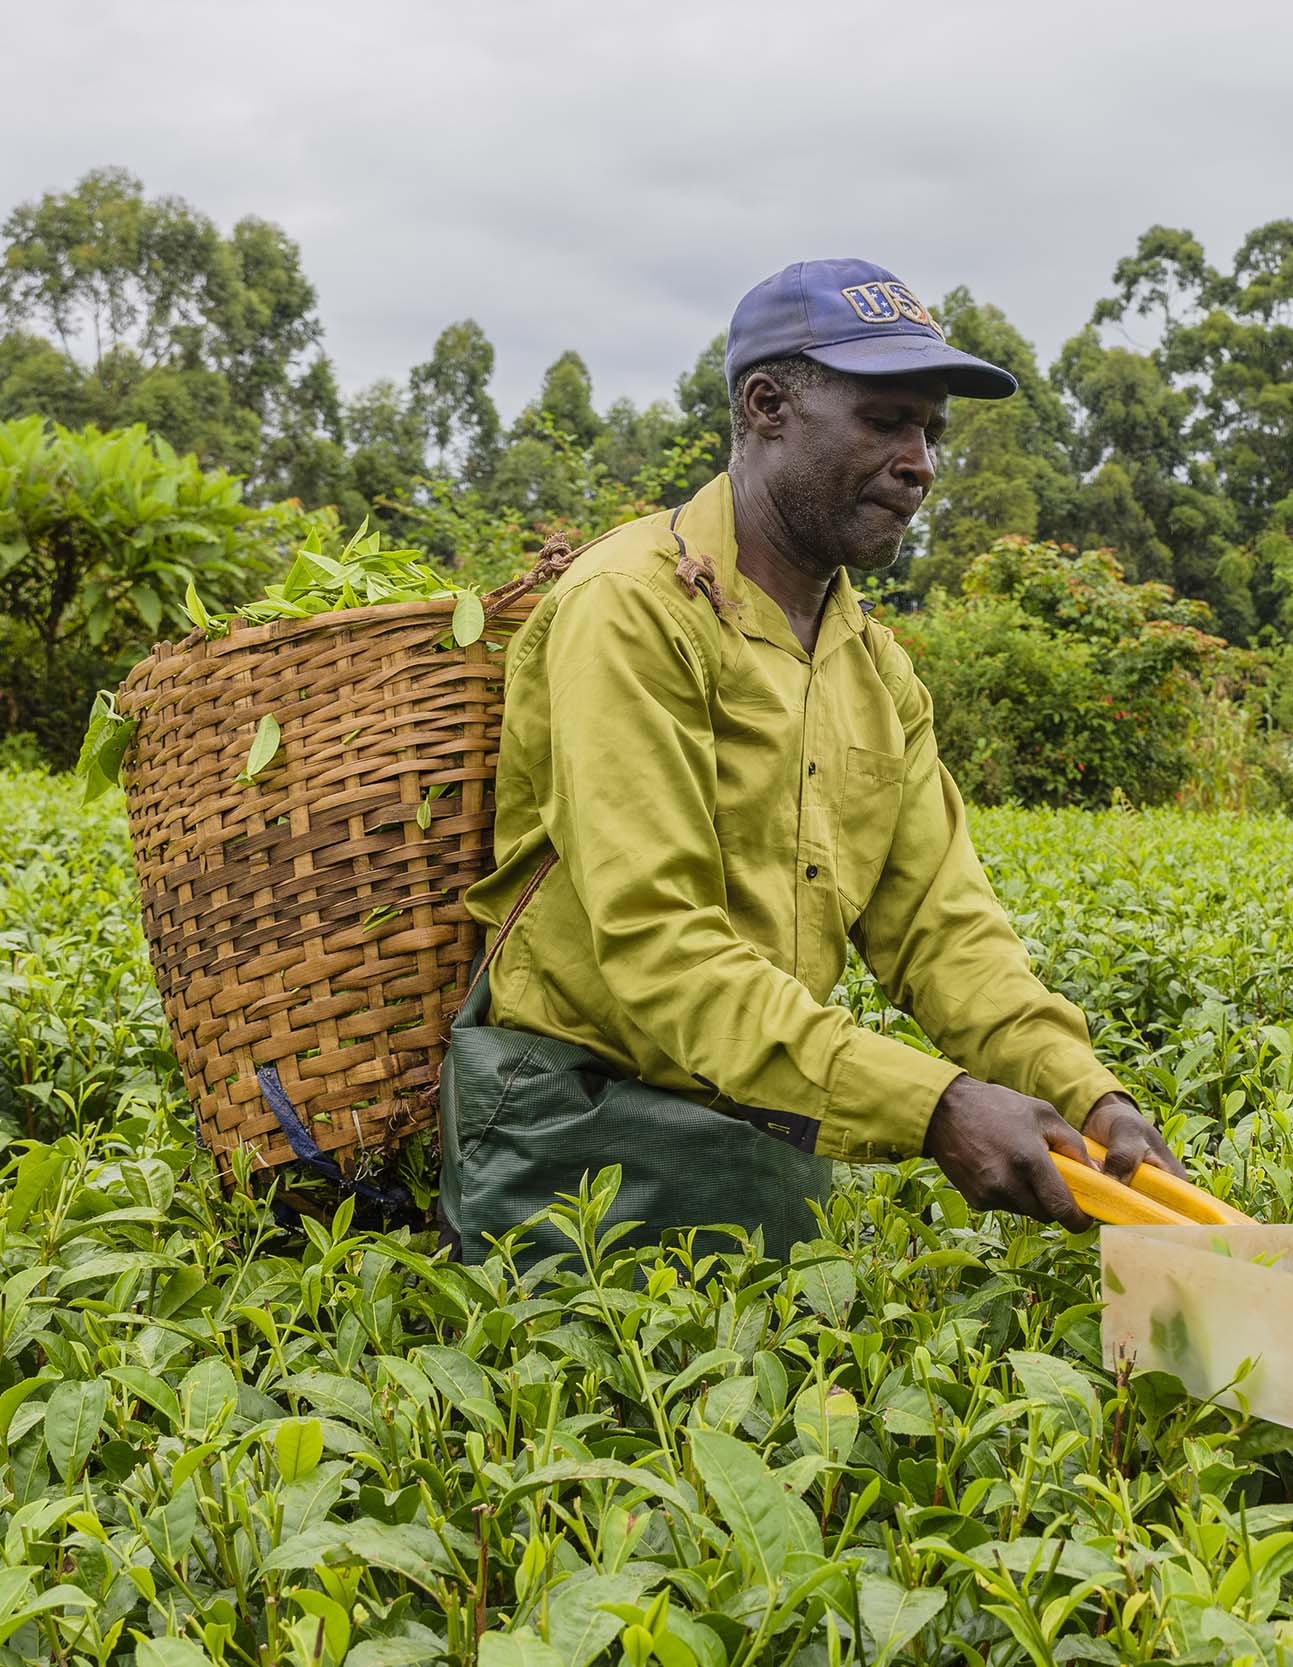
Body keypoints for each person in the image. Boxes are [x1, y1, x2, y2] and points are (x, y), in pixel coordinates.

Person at [440, 258, 1182, 1267]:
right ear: (767, 405)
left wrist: (1089, 1094)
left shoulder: (873, 668)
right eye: (885, 420)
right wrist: (937, 1106)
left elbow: (945, 933)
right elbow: (661, 952)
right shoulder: (632, 609)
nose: (919, 460)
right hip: (577, 1146)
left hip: (762, 1135)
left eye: (930, 432)